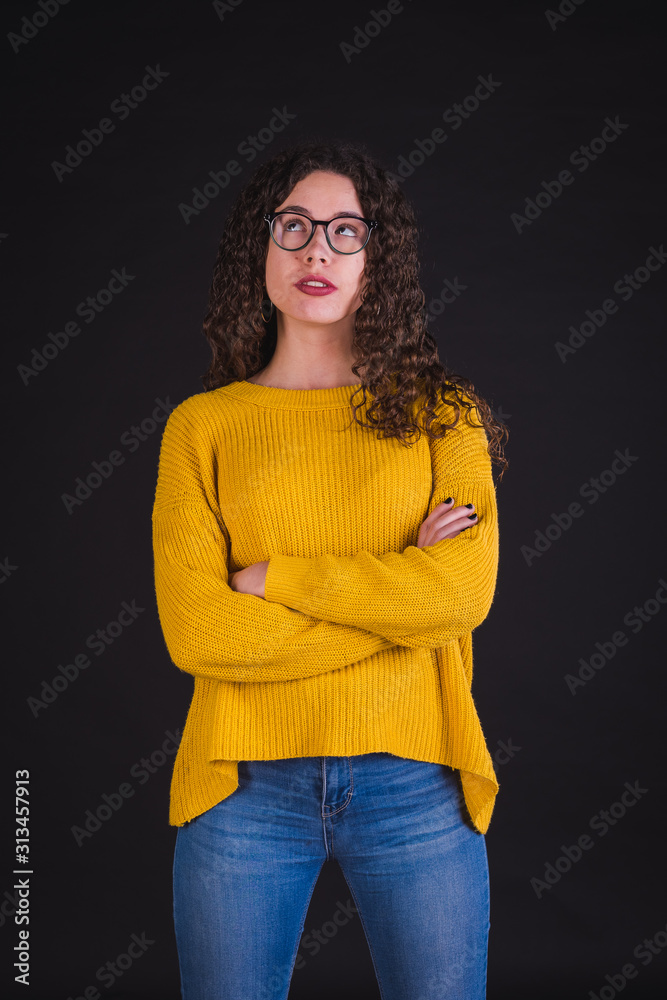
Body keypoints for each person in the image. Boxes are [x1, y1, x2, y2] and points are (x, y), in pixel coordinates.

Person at [152, 137, 508, 1000]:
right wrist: (395, 607)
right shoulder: (203, 428)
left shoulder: (443, 416)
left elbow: (460, 595)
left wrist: (278, 580)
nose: (318, 249)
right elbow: (200, 633)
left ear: (377, 258)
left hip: (415, 782)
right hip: (242, 789)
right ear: (260, 249)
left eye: (347, 231)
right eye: (295, 226)